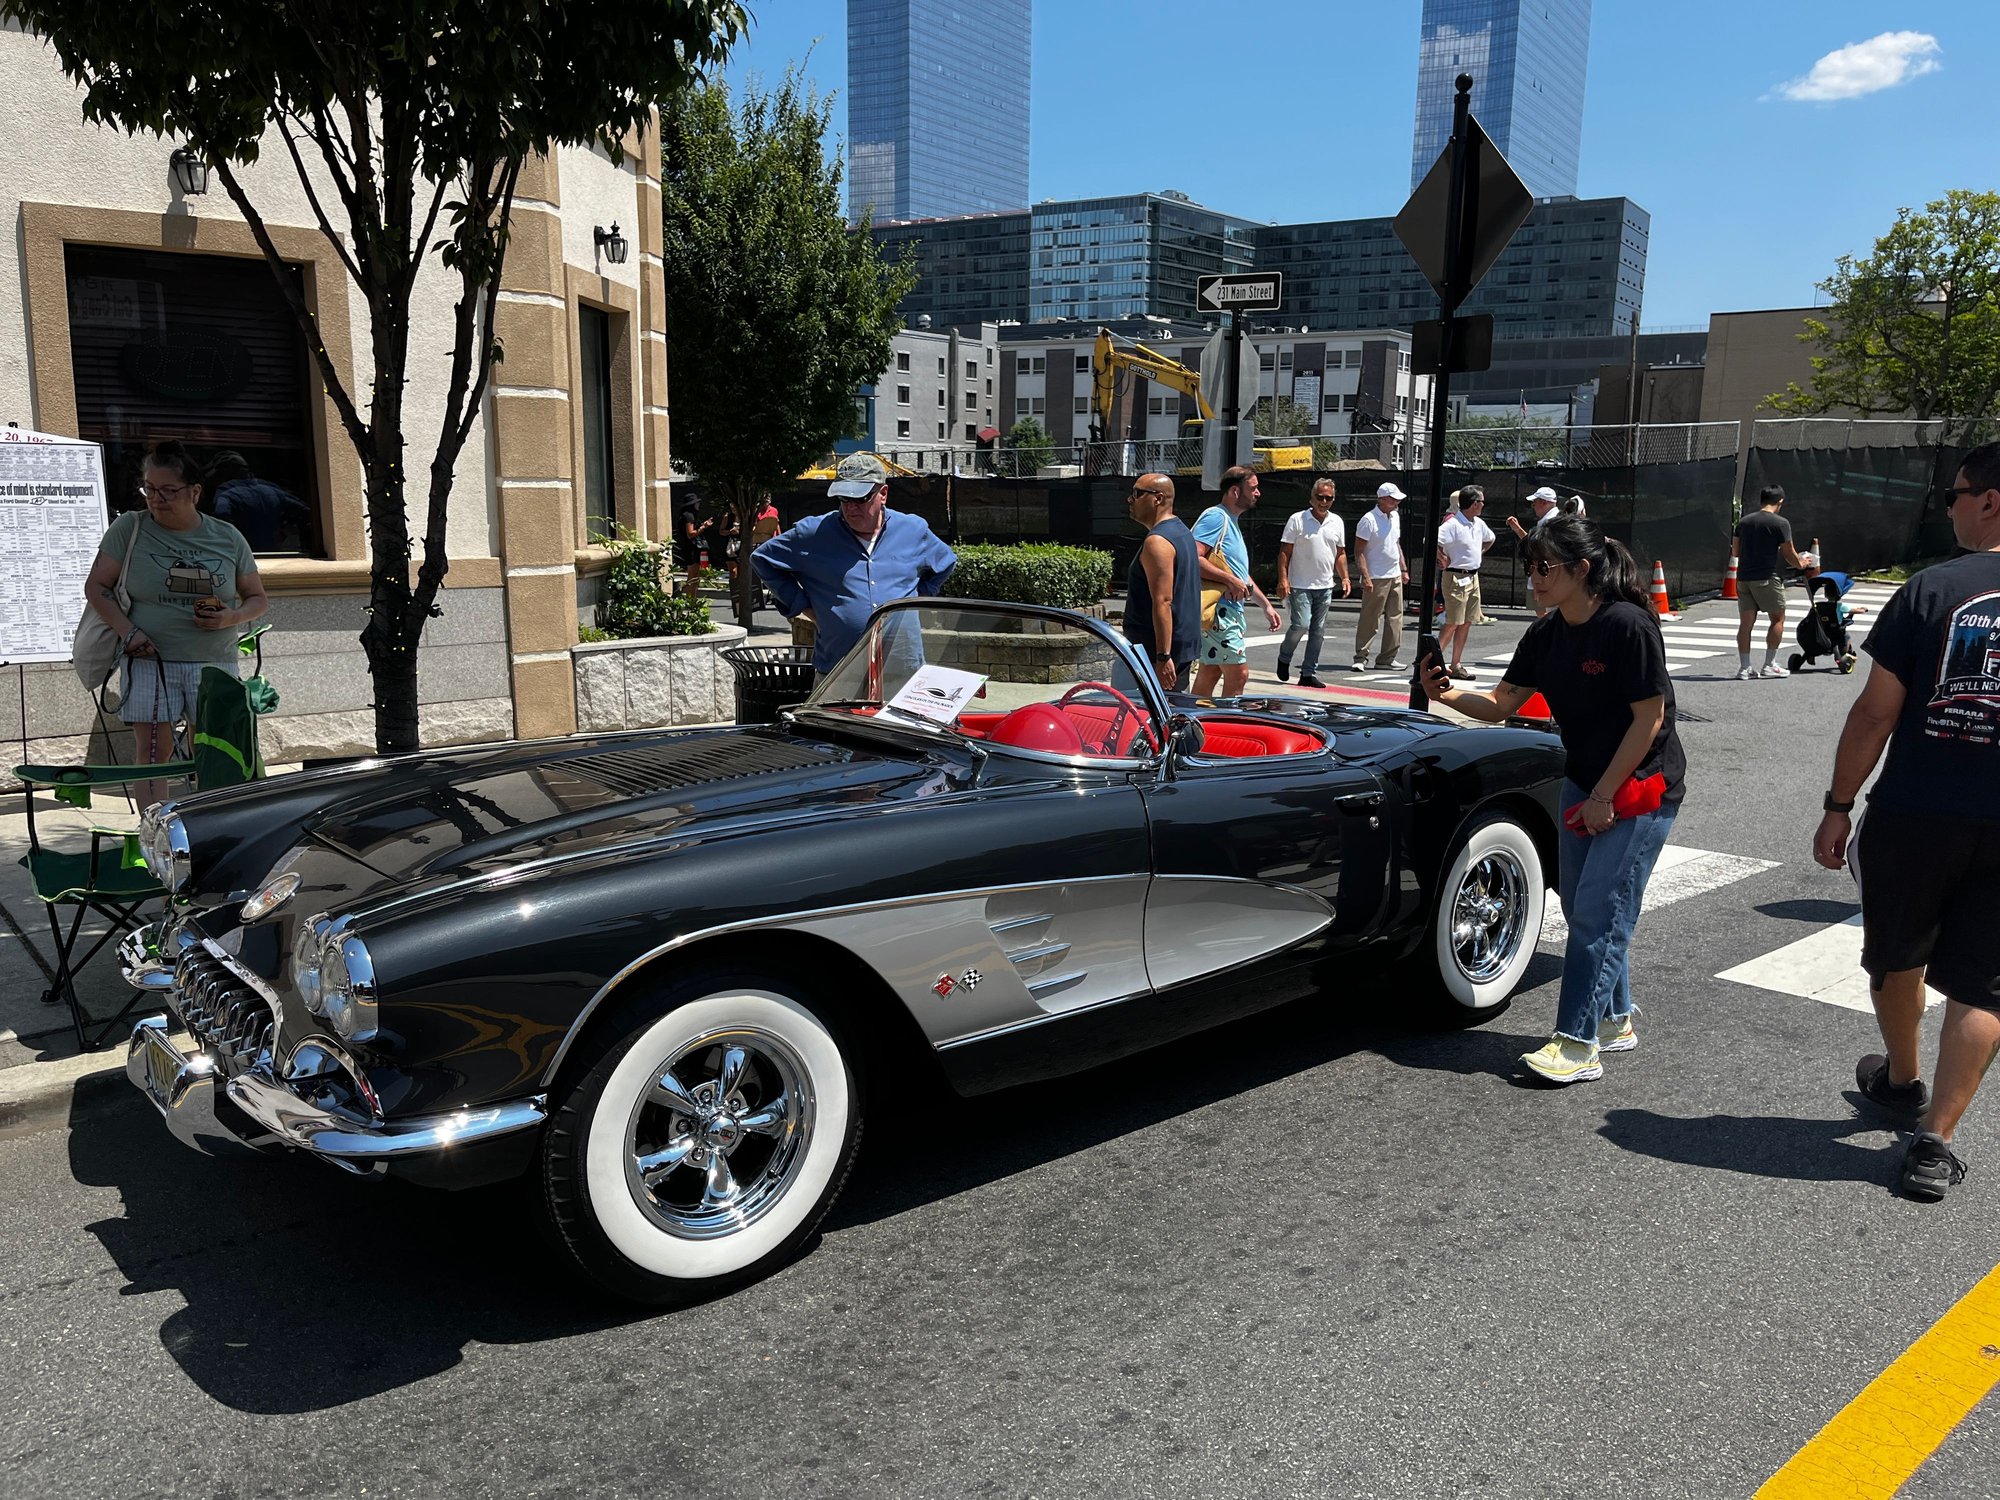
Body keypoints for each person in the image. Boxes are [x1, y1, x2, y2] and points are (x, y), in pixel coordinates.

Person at [1421, 515, 1686, 1086]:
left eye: (1545, 568)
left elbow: (1650, 719)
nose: (1534, 579)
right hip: (1586, 780)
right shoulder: (1546, 634)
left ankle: (1577, 1043)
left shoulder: (1627, 625)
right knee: (1584, 908)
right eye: (1531, 567)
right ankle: (1614, 1019)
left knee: (1598, 913)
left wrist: (1604, 795)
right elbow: (1500, 703)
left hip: (1640, 788)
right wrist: (1445, 693)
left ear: (1582, 569)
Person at [1811, 443, 2000, 1201]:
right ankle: (1935, 1142)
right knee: (1985, 985)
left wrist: (1837, 806)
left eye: (1955, 493)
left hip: (1918, 810)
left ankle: (1902, 1080)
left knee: (1897, 957)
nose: (1948, 506)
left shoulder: (1932, 589)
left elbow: (1874, 714)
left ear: (1989, 501)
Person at [81, 440, 268, 810]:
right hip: (149, 659)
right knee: (153, 754)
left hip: (214, 662)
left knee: (217, 751)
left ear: (194, 492)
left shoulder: (227, 536)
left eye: (168, 490)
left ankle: (213, 826)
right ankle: (155, 830)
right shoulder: (129, 528)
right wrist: (128, 633)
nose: (156, 499)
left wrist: (231, 617)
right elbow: (96, 586)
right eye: (149, 489)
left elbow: (257, 599)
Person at [750, 452, 957, 679]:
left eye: (859, 498)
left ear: (883, 494)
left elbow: (946, 561)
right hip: (839, 672)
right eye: (843, 498)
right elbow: (762, 559)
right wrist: (802, 605)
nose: (850, 507)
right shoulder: (813, 533)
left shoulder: (912, 530)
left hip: (902, 669)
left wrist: (919, 598)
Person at [1190, 465, 1282, 698]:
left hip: (1225, 611)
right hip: (1220, 612)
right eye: (1253, 488)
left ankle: (1193, 716)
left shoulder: (1230, 521)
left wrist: (1266, 605)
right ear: (1235, 491)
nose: (1258, 493)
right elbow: (1192, 558)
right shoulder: (1216, 518)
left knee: (1210, 671)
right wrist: (1229, 579)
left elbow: (1240, 575)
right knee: (1239, 674)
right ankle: (1228, 719)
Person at [1121, 473, 1200, 693]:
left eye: (1137, 493)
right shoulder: (1182, 532)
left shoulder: (1158, 542)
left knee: (1144, 713)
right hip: (1177, 649)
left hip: (1154, 654)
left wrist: (1163, 657)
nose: (1130, 499)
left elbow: (1163, 601)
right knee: (1171, 710)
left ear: (1158, 498)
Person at [1274, 478, 1350, 689]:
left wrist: (1344, 577)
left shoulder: (1337, 522)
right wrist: (1283, 579)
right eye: (1320, 497)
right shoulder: (1297, 519)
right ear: (1312, 498)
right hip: (1300, 584)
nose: (1324, 502)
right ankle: (1284, 657)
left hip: (1325, 585)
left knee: (1318, 631)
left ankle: (1308, 673)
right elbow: (1284, 552)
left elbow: (1340, 553)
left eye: (1329, 498)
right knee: (1301, 625)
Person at [1733, 484, 1813, 679]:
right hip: (1766, 577)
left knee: (1745, 624)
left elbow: (1735, 551)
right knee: (1777, 619)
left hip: (1743, 578)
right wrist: (1801, 563)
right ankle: (1769, 664)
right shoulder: (1781, 523)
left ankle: (1744, 668)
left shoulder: (1744, 522)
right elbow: (1789, 553)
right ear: (1780, 501)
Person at [1435, 486, 1497, 679]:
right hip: (1455, 577)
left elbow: (1490, 538)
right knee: (1453, 622)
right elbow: (1430, 540)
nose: (1483, 505)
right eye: (1481, 502)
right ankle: (1433, 664)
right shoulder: (1453, 524)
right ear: (1473, 503)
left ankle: (1456, 664)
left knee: (1466, 622)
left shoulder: (1478, 523)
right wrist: (1442, 558)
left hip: (1472, 577)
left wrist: (1480, 552)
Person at [1351, 482, 1409, 671]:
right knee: (1370, 618)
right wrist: (1366, 577)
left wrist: (1403, 568)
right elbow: (1359, 551)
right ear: (1382, 499)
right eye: (1393, 499)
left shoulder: (1395, 516)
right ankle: (1361, 657)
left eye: (1397, 499)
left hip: (1394, 574)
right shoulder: (1368, 520)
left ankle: (1387, 659)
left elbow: (1396, 543)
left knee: (1395, 617)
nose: (1397, 502)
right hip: (1376, 576)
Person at [205, 450, 309, 552]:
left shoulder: (226, 495)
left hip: (243, 555)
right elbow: (306, 511)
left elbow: (220, 519)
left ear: (225, 472)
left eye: (218, 473)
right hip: (274, 554)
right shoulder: (273, 490)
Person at [1508, 486, 1562, 617]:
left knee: (1543, 609)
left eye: (1535, 502)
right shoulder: (1551, 519)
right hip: (1544, 571)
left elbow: (1537, 546)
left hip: (1546, 572)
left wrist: (1518, 530)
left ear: (1544, 502)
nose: (1533, 506)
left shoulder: (1549, 522)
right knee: (1539, 607)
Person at [678, 506, 712, 596]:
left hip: (691, 548)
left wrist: (702, 525)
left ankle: (690, 598)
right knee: (693, 577)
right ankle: (689, 599)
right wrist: (703, 527)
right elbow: (690, 534)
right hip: (692, 548)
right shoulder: (689, 516)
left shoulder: (686, 516)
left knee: (694, 577)